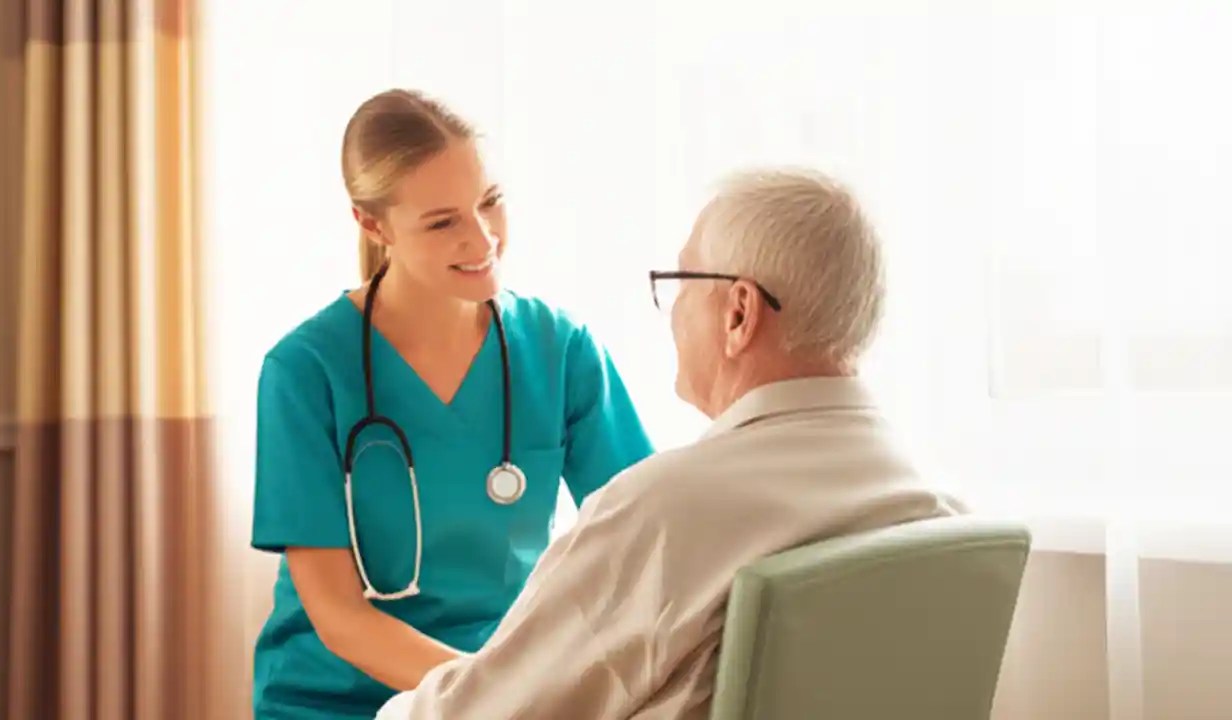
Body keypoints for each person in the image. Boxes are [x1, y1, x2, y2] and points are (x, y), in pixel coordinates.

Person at [375, 167, 966, 719]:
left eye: (680, 282)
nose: (672, 311)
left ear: (739, 314)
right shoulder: (938, 510)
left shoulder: (663, 513)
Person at [249, 88, 655, 719]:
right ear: (372, 223)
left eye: (490, 202)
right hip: (339, 699)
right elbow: (339, 618)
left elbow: (644, 536)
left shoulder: (559, 351)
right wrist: (499, 691)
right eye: (443, 222)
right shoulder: (305, 372)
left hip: (501, 691)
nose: (483, 237)